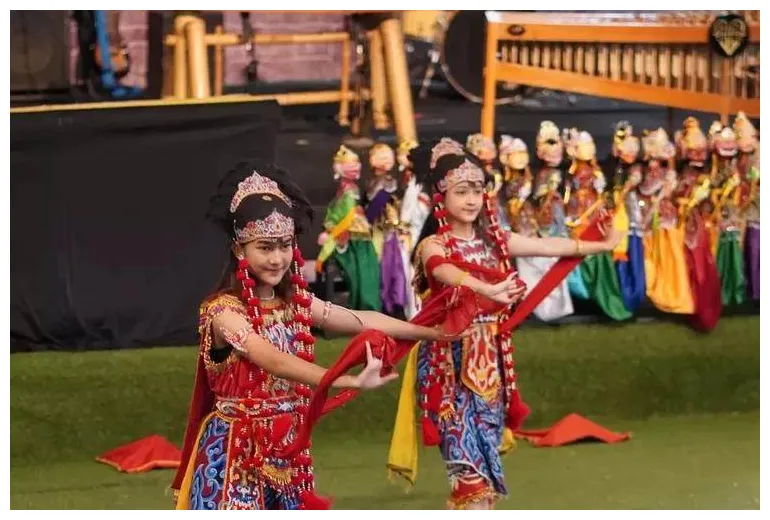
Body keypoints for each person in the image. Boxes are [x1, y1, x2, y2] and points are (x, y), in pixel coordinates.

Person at [170, 159, 458, 510]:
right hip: (234, 457)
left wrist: (430, 332)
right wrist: (343, 381)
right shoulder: (223, 312)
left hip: (289, 454)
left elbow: (359, 320)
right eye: (265, 247)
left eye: (284, 245)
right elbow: (270, 359)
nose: (277, 258)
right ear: (238, 249)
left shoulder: (295, 302)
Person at [387, 139, 623, 510]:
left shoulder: (494, 241)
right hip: (448, 372)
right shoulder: (434, 245)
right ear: (441, 197)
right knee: (469, 481)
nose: (471, 199)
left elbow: (547, 246)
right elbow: (442, 272)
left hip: (490, 371)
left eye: (477, 191)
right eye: (461, 191)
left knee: (486, 486)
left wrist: (601, 245)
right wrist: (486, 288)